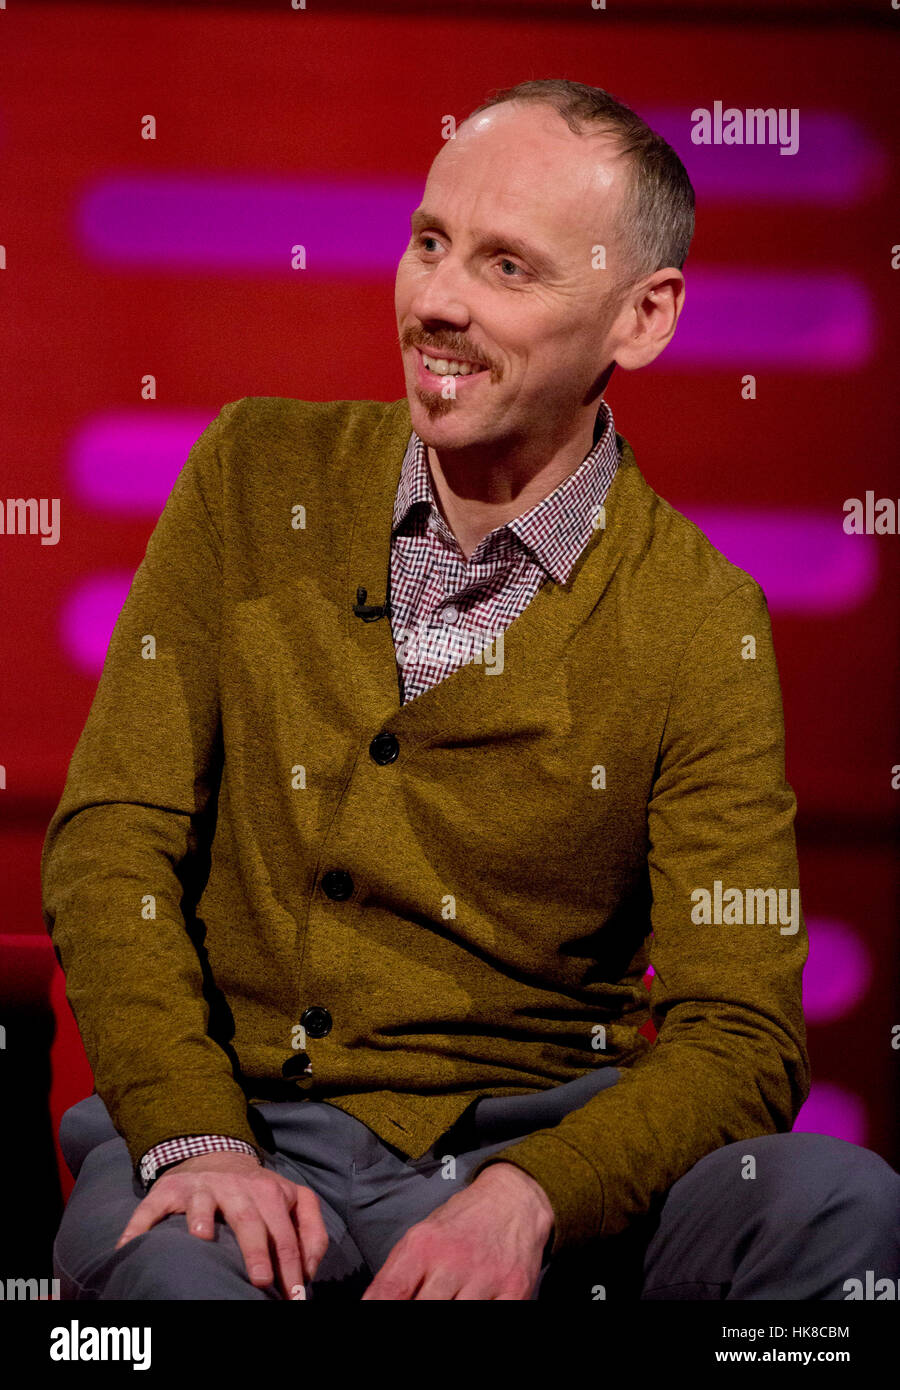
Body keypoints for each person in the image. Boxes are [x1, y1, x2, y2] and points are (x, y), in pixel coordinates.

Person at [42, 79, 900, 1302]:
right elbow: (110, 842)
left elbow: (744, 1031)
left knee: (841, 1200)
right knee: (173, 1281)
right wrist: (198, 1134)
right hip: (250, 1127)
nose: (436, 301)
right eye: (430, 242)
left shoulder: (703, 621)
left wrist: (533, 1196)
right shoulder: (253, 473)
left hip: (539, 1149)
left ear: (642, 317)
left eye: (506, 267)